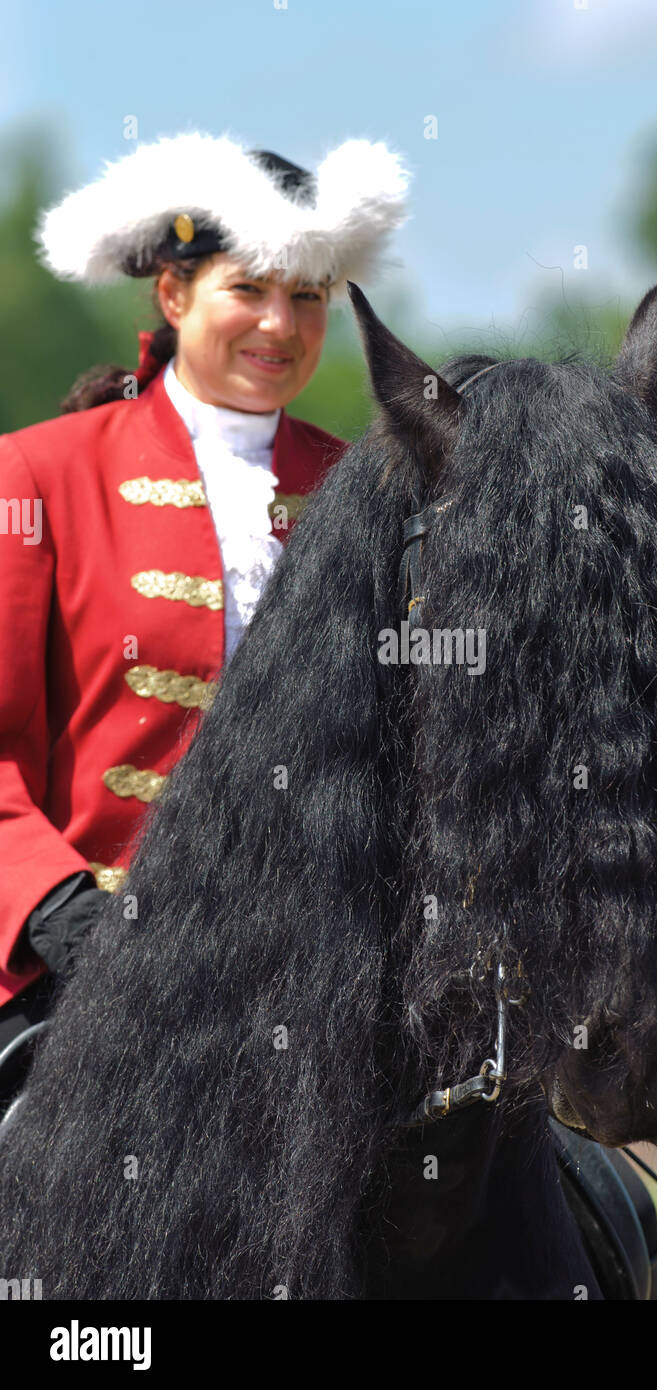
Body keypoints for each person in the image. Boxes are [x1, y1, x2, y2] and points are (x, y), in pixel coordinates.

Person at [0, 131, 409, 1099]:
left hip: (324, 974)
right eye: (248, 289)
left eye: (308, 295)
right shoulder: (37, 473)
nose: (281, 322)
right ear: (173, 295)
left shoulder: (373, 488)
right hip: (80, 968)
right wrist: (55, 904)